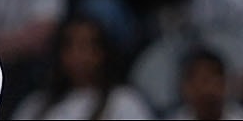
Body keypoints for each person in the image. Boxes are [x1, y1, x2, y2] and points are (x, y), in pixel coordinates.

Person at [14, 15, 155, 118]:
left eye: (86, 47)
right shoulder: (36, 105)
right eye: (69, 47)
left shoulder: (124, 102)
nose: (77, 56)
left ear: (103, 53)